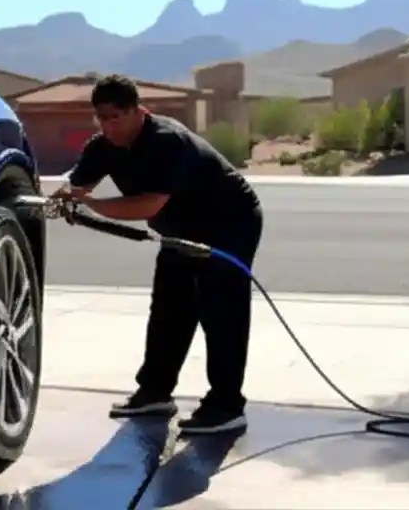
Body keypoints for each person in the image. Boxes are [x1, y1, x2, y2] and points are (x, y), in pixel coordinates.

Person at [52, 74, 263, 435]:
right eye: (100, 118)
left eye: (115, 117)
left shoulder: (167, 141)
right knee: (169, 308)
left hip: (229, 222)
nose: (107, 126)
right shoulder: (102, 146)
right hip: (179, 229)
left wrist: (92, 205)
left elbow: (147, 204)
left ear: (138, 111)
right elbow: (76, 186)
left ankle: (226, 406)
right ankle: (155, 392)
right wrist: (65, 198)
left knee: (220, 311)